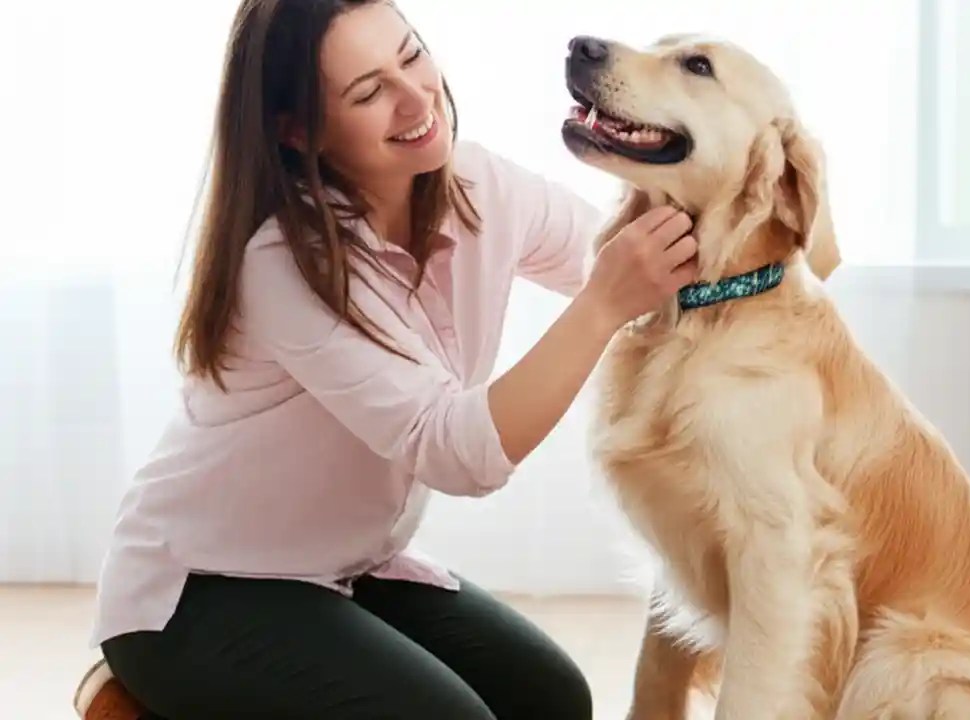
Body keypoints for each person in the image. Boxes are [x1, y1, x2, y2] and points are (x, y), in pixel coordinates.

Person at [71, 0, 698, 718]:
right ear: (300, 130)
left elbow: (623, 262)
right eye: (368, 92)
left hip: (342, 568)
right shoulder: (284, 263)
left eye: (411, 55)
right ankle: (136, 696)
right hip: (200, 590)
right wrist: (602, 306)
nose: (415, 97)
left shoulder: (481, 185)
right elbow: (455, 451)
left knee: (551, 700)